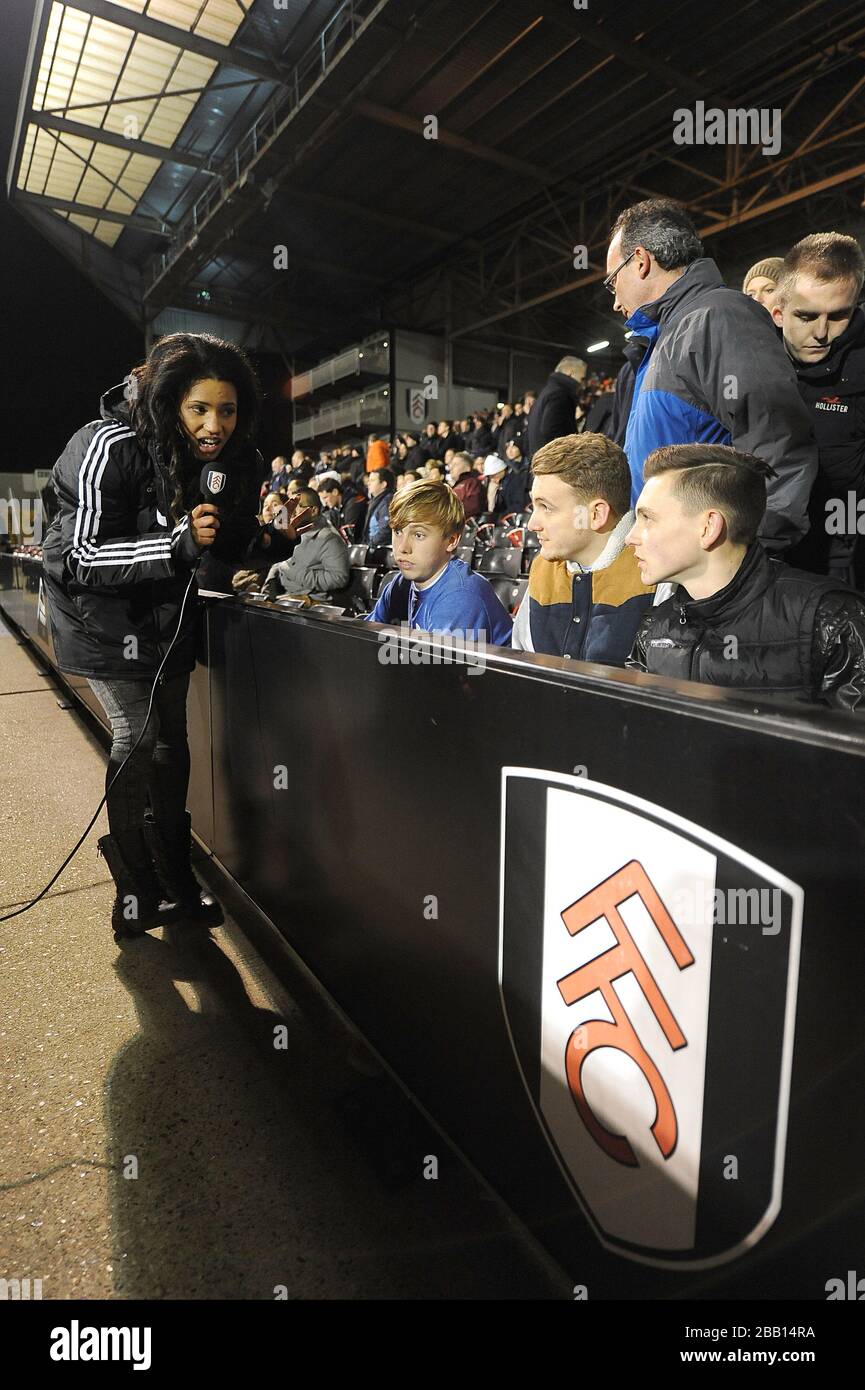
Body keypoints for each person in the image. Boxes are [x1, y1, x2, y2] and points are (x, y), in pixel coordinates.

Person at [41, 332, 265, 940]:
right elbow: (76, 555)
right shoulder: (103, 444)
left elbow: (213, 546)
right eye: (199, 409)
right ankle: (133, 887)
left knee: (173, 742)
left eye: (227, 409)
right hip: (98, 621)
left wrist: (266, 541)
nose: (215, 424)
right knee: (136, 740)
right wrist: (175, 545)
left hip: (167, 624)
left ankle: (177, 877)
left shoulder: (219, 461)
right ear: (170, 403)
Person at [606, 197, 817, 553]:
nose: (614, 301)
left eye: (613, 282)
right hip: (676, 555)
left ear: (640, 261)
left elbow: (779, 441)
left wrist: (752, 556)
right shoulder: (664, 337)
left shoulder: (718, 317)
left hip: (712, 562)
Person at [625, 444, 865, 708]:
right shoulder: (655, 628)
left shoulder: (831, 618)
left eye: (647, 518)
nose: (630, 537)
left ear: (708, 527)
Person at [771, 232, 865, 587]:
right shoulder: (747, 362)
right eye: (807, 316)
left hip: (843, 568)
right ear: (779, 313)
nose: (822, 332)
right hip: (760, 560)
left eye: (837, 316)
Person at [512, 434, 654, 663]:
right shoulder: (542, 569)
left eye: (546, 507)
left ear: (596, 514)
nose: (532, 524)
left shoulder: (656, 575)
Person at [366, 480, 512, 644]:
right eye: (398, 531)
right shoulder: (400, 584)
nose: (403, 547)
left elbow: (437, 668)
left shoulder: (461, 596)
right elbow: (364, 640)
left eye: (418, 535)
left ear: (451, 540)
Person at [262, 488, 350, 599]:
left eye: (298, 505)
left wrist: (294, 571)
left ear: (314, 511)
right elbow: (278, 563)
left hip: (309, 602)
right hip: (284, 596)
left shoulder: (330, 539)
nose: (292, 510)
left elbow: (339, 578)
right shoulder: (292, 530)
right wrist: (268, 587)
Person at [526, 357, 587, 461]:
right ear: (570, 373)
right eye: (581, 379)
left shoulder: (547, 391)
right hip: (552, 464)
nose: (583, 385)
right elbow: (551, 430)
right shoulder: (560, 394)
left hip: (541, 461)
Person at [482, 454, 530, 518]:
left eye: (493, 475)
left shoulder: (515, 481)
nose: (492, 479)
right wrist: (492, 496)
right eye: (490, 477)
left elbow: (519, 505)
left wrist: (499, 516)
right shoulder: (498, 485)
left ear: (501, 470)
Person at [361, 467, 394, 545]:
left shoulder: (387, 502)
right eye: (369, 480)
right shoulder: (376, 501)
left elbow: (385, 530)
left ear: (383, 484)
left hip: (380, 551)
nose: (368, 483)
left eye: (372, 480)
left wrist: (370, 545)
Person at [449, 451, 484, 517]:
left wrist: (448, 513)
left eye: (455, 464)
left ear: (467, 468)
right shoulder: (454, 486)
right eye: (451, 465)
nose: (451, 468)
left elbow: (473, 505)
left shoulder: (472, 482)